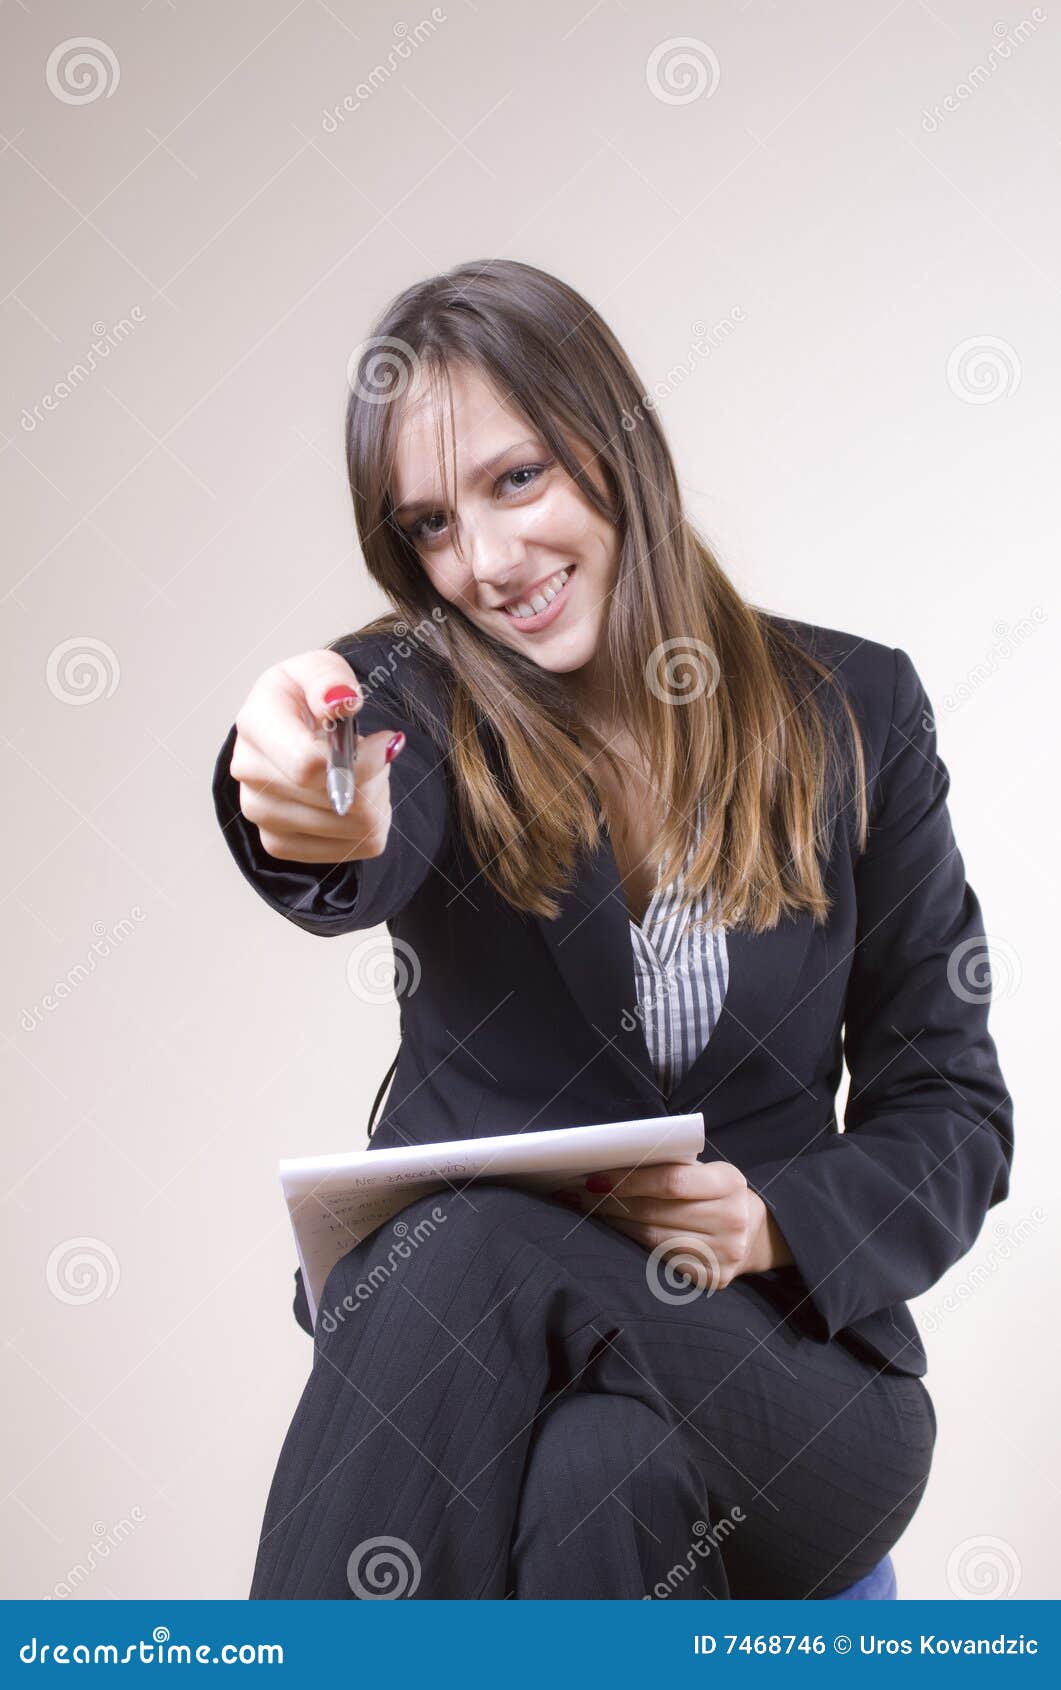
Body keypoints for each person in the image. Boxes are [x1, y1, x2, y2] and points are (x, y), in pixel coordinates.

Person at [210, 259, 1014, 1600]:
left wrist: (769, 1223)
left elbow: (950, 1108)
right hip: (504, 1404)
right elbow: (345, 785)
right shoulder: (423, 693)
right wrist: (304, 800)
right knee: (603, 1469)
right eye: (431, 526)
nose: (486, 561)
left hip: (791, 1396)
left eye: (518, 479)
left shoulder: (856, 710)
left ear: (616, 442)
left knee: (465, 1236)